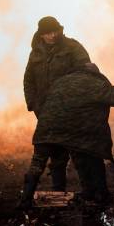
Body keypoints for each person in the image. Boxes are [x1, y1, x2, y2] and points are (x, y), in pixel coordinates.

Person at [18, 62, 114, 208]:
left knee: (37, 164)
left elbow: (42, 101)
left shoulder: (60, 82)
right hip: (75, 133)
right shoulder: (93, 83)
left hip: (46, 131)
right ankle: (100, 195)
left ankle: (26, 199)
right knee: (92, 156)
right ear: (95, 73)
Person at [22, 16, 90, 192]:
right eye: (47, 33)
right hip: (46, 113)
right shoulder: (36, 53)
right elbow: (28, 80)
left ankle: (90, 194)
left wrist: (78, 103)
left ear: (60, 30)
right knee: (54, 154)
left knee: (80, 155)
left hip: (71, 111)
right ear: (41, 35)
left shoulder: (73, 48)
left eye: (55, 31)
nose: (52, 35)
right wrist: (33, 104)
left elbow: (87, 74)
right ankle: (57, 192)